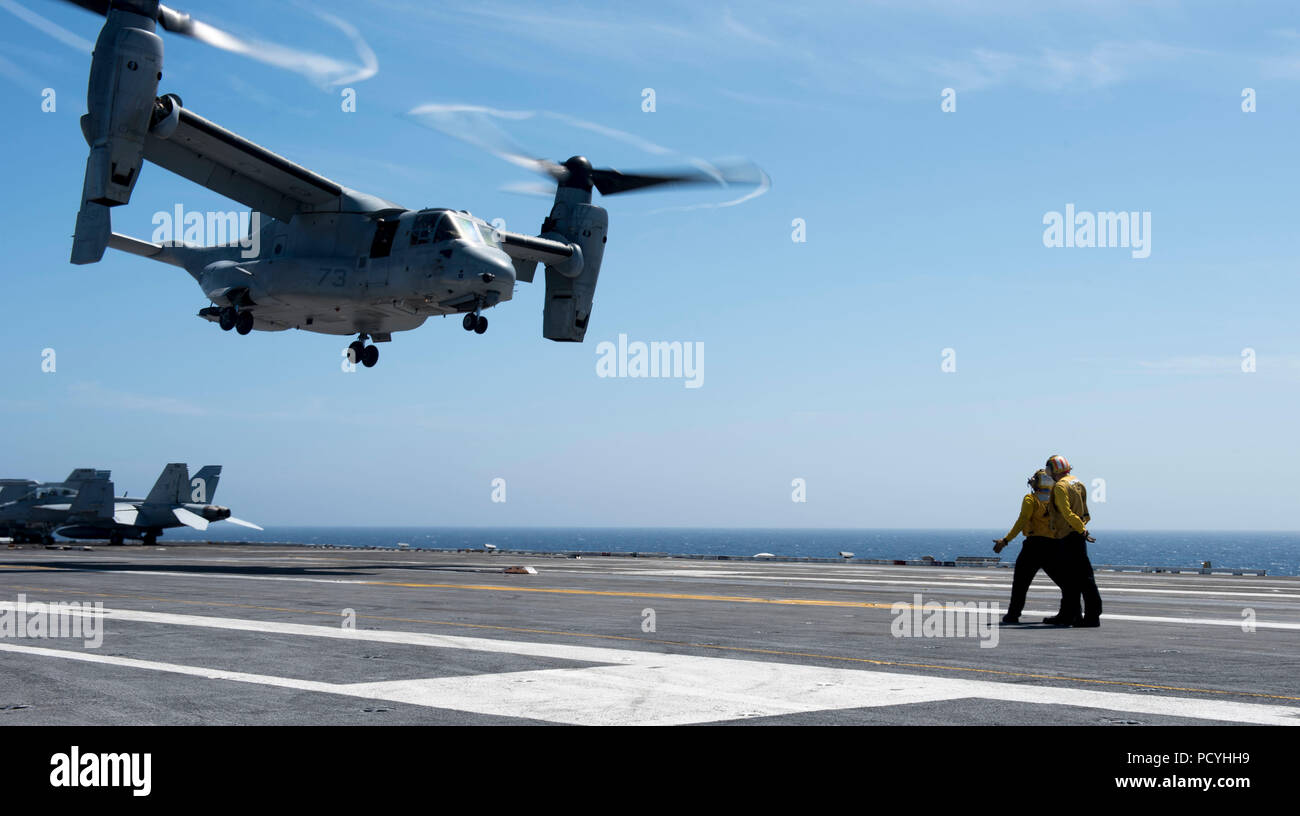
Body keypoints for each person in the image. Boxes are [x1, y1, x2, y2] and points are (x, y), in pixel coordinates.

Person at [993, 469, 1068, 624]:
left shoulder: (1030, 499)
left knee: (1021, 582)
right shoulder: (1057, 499)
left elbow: (1022, 521)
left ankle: (1013, 614)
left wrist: (1005, 540)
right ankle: (1071, 611)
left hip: (1033, 547)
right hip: (1054, 545)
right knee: (1066, 582)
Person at [1041, 454, 1102, 627]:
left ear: (1056, 469)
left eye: (1049, 469)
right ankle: (1079, 615)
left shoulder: (1060, 487)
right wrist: (1082, 528)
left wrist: (1080, 530)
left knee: (1071, 579)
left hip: (1068, 535)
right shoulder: (1078, 483)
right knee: (1084, 578)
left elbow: (1067, 513)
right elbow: (1085, 512)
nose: (1048, 473)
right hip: (1077, 534)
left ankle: (1079, 616)